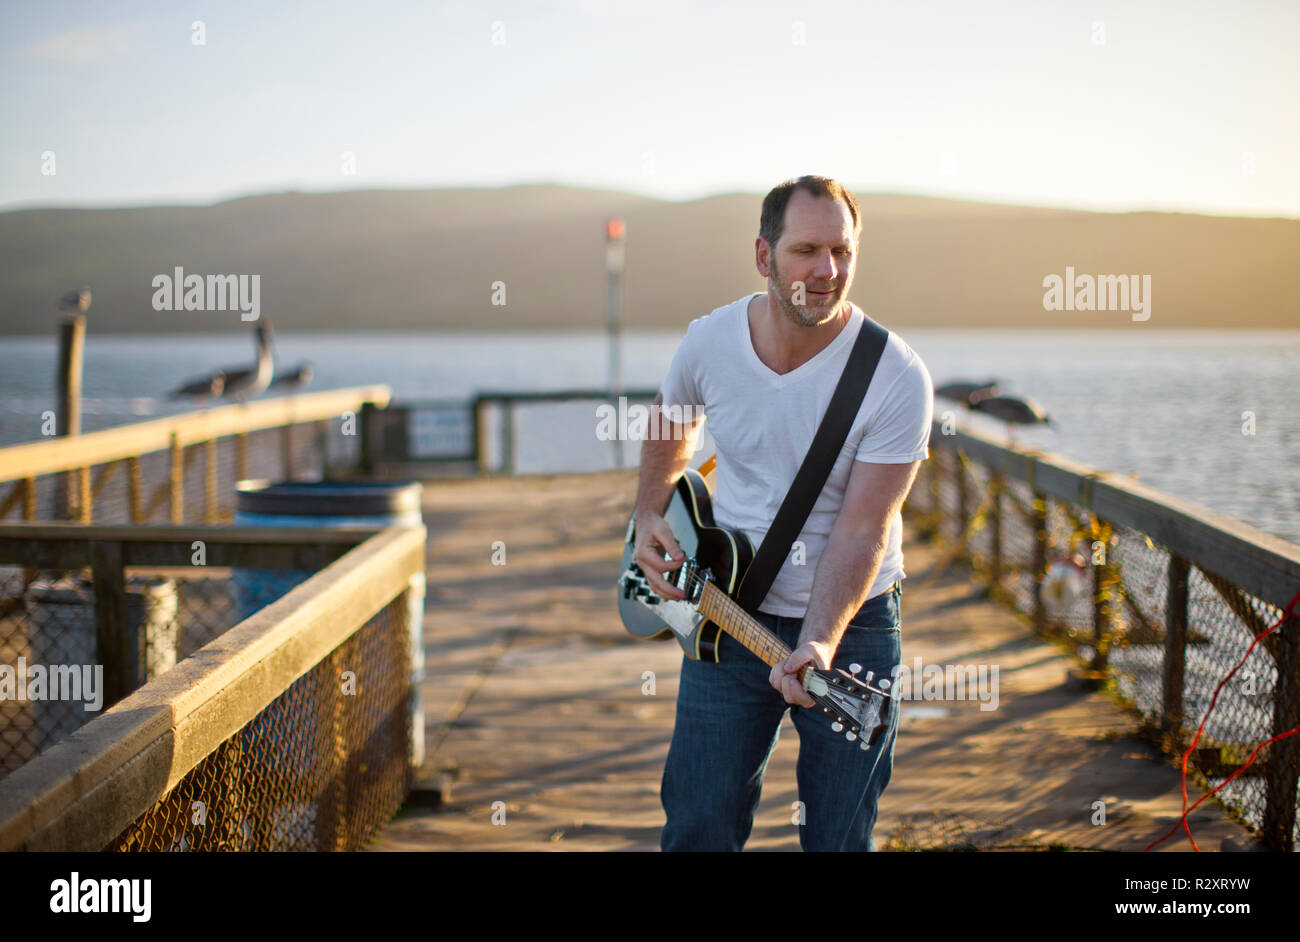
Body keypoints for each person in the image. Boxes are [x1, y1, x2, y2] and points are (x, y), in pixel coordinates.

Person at [633, 175, 933, 852]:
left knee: (837, 837)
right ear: (764, 257)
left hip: (851, 631)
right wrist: (649, 514)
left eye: (842, 251)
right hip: (727, 612)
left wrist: (819, 641)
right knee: (698, 829)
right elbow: (670, 420)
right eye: (806, 251)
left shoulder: (897, 378)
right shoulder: (710, 342)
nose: (827, 271)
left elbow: (863, 527)